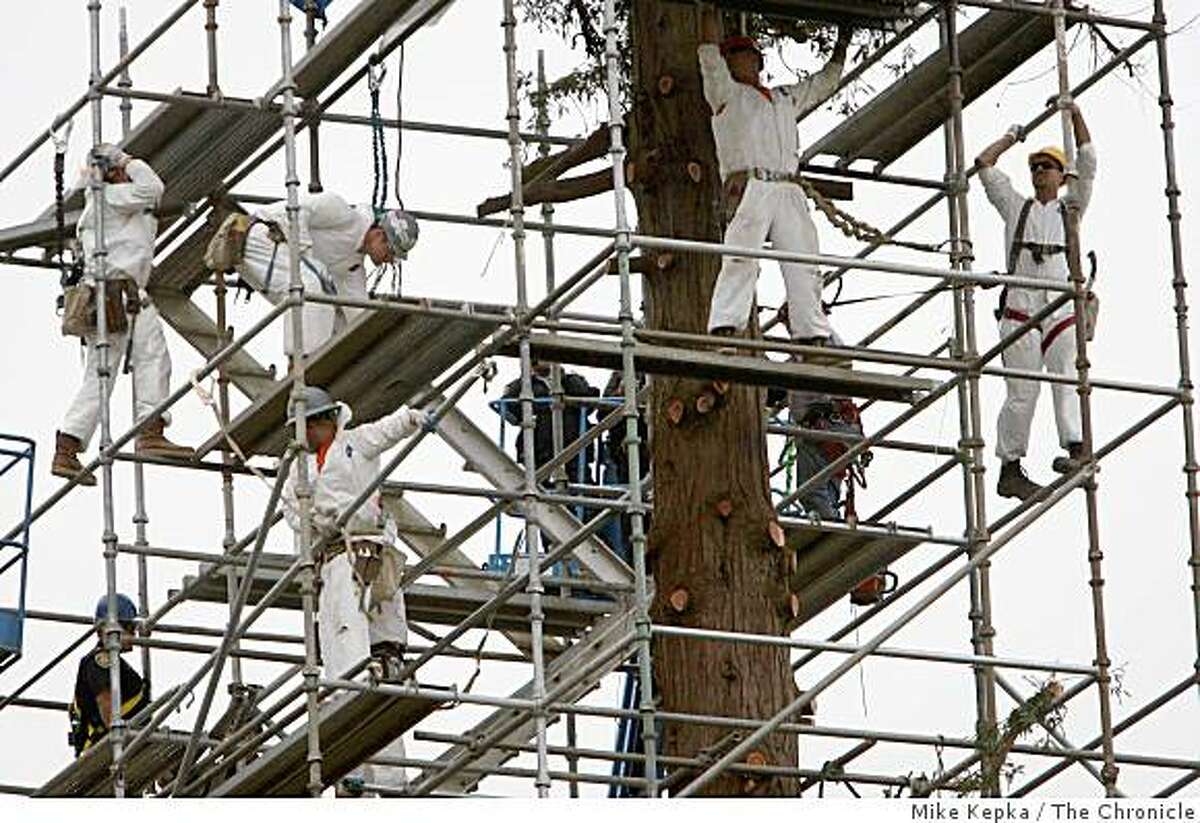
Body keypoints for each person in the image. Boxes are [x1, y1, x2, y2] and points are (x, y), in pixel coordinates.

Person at [281, 386, 428, 793]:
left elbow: (388, 429)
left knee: (386, 662)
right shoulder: (297, 470)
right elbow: (294, 516)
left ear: (324, 421)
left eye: (308, 426)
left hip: (373, 551)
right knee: (349, 661)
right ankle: (355, 769)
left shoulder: (353, 443)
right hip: (336, 560)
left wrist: (414, 418)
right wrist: (316, 519)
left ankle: (392, 777)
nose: (306, 435)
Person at [697, 5, 850, 354]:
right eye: (735, 55)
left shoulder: (783, 98)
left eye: (747, 54)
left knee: (803, 257)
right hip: (750, 183)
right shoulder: (726, 93)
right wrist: (707, 14)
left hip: (787, 186)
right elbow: (708, 57)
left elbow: (823, 83)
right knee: (740, 255)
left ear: (758, 61)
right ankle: (724, 326)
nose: (742, 60)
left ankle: (810, 331)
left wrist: (842, 45)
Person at [52, 146, 194, 487]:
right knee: (148, 360)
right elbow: (154, 188)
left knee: (106, 374)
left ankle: (69, 445)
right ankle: (148, 430)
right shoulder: (111, 196)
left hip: (113, 294)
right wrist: (126, 160)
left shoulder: (107, 203)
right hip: (120, 294)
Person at [976, 103, 1096, 501]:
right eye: (1036, 167)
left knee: (1066, 376)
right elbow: (984, 164)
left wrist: (1074, 114)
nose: (1041, 171)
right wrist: (1014, 137)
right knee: (1022, 390)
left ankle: (1077, 447)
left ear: (1062, 176)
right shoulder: (1016, 206)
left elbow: (1089, 158)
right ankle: (1010, 468)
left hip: (1059, 307)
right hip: (1021, 309)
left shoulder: (1070, 206)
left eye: (1048, 166)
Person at [235, 193, 417, 362]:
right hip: (260, 236)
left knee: (339, 319)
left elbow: (357, 313)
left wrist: (385, 347)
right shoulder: (341, 213)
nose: (391, 260)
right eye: (391, 251)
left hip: (274, 258)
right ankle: (300, 363)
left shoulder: (352, 266)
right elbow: (297, 211)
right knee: (311, 288)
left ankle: (318, 365)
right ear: (379, 234)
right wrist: (306, 255)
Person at [69, 594, 149, 758]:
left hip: (131, 741)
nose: (133, 634)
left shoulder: (117, 665)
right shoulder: (100, 661)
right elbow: (107, 707)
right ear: (108, 627)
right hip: (109, 748)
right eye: (128, 627)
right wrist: (121, 741)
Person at [500, 361, 600, 483]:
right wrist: (524, 378)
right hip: (539, 443)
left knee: (580, 479)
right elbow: (508, 408)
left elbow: (588, 401)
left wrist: (564, 377)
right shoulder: (524, 385)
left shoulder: (570, 379)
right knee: (539, 482)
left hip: (573, 440)